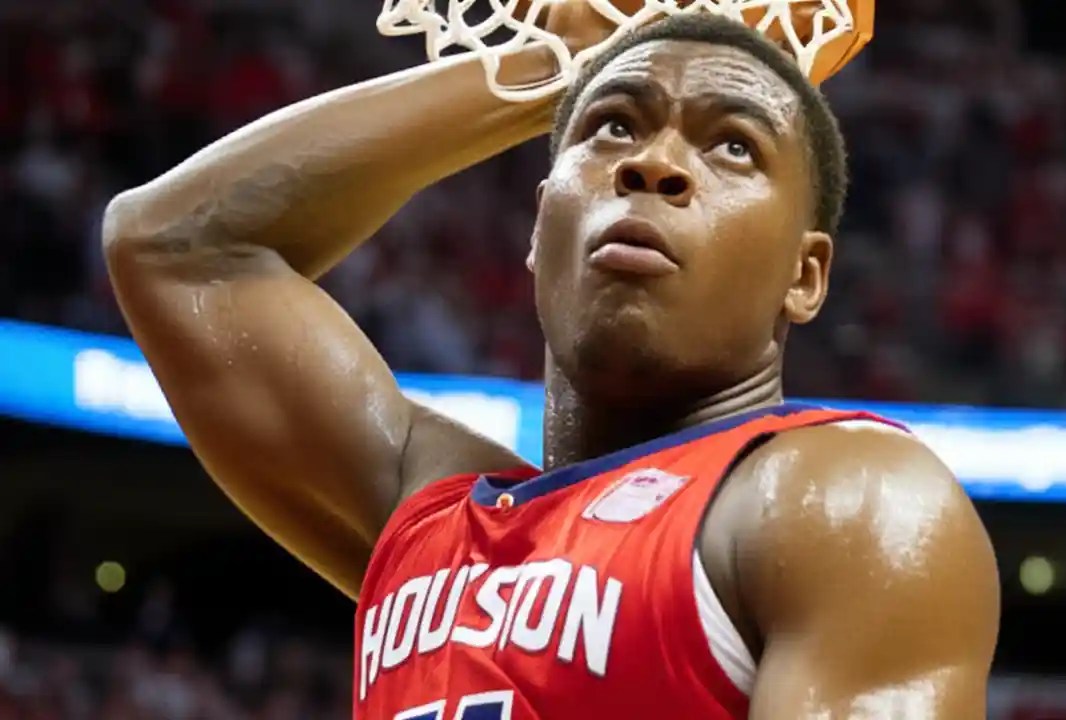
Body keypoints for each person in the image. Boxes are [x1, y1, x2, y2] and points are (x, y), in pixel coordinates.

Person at [103, 3, 999, 717]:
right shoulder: (427, 515)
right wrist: (554, 66)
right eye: (613, 129)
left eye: (733, 145)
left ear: (804, 277)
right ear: (538, 228)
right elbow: (172, 245)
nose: (655, 163)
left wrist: (607, 81)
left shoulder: (847, 500)